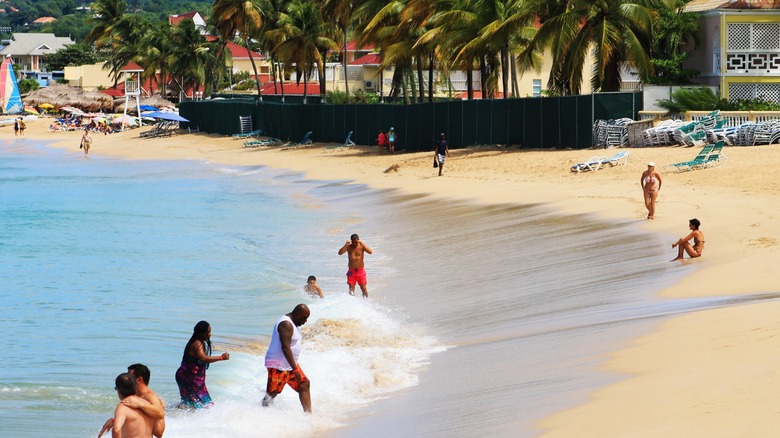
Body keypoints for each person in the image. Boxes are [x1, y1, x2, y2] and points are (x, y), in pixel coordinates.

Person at [262, 304, 312, 413]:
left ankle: (309, 416)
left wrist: (293, 366)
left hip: (288, 364)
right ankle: (260, 414)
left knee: (304, 384)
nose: (305, 321)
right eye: (304, 318)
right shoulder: (286, 324)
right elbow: (285, 348)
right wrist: (295, 369)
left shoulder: (294, 323)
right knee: (272, 393)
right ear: (298, 314)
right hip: (278, 365)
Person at [99, 364, 165, 438]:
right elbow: (136, 420)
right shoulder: (136, 397)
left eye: (130, 377)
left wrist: (140, 404)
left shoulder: (150, 397)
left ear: (139, 379)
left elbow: (159, 431)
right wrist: (115, 420)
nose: (128, 379)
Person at [175, 321, 230, 409]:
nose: (210, 334)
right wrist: (221, 357)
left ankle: (174, 413)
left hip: (190, 378)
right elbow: (203, 358)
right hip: (188, 378)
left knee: (191, 404)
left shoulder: (198, 342)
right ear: (202, 333)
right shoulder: (197, 344)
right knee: (202, 405)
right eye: (208, 332)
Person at [108, 373, 154, 438]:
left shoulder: (123, 406)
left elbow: (116, 430)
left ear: (119, 390)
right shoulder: (147, 404)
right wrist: (113, 421)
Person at [338, 233, 373, 298]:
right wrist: (346, 245)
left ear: (358, 240)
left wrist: (363, 244)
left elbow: (370, 252)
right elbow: (340, 253)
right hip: (351, 272)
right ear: (351, 241)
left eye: (356, 242)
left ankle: (366, 302)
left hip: (360, 271)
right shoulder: (348, 247)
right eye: (353, 242)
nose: (354, 243)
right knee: (351, 290)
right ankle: (352, 302)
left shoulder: (361, 246)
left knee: (364, 289)